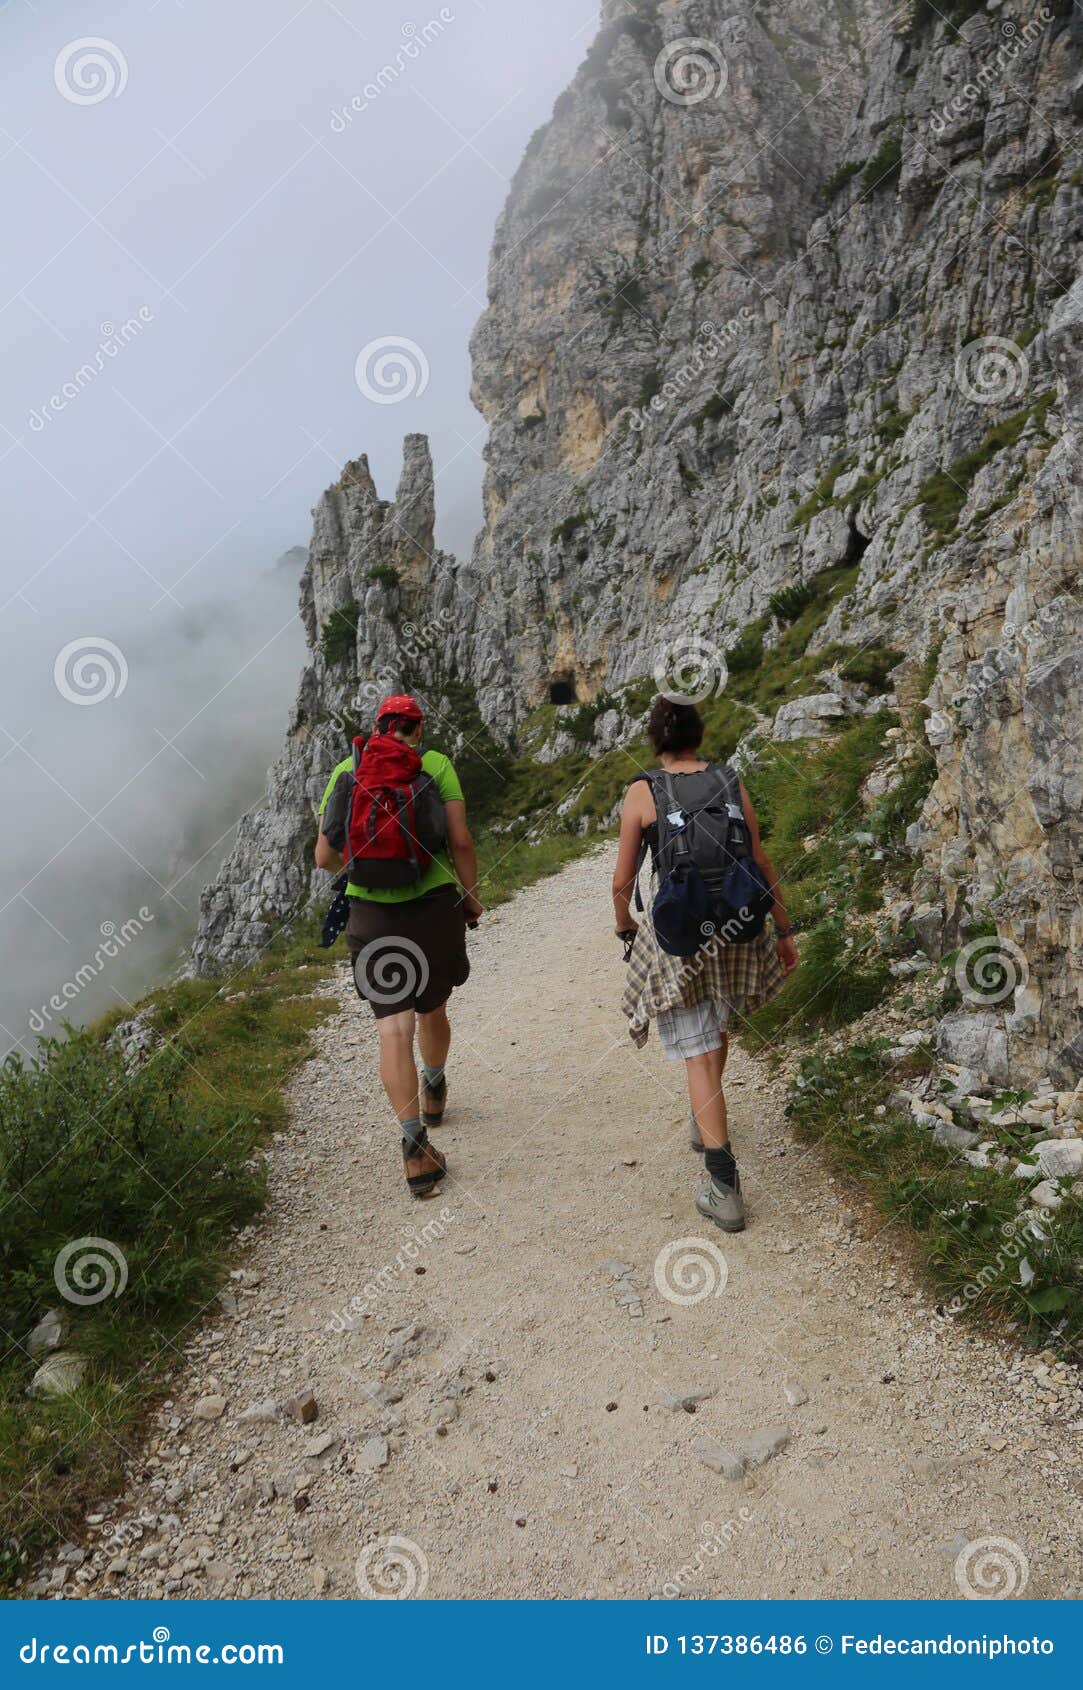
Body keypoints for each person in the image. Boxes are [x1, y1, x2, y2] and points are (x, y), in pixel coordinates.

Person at [612, 694, 798, 1232]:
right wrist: (783, 930)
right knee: (714, 1029)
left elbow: (623, 878)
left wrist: (623, 922)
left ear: (655, 740)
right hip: (740, 924)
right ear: (698, 734)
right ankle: (704, 1117)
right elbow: (760, 862)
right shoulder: (729, 781)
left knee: (696, 1049)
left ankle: (723, 1186)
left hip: (684, 932)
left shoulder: (643, 790)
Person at [314, 694, 483, 1199]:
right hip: (432, 910)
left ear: (380, 726)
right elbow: (462, 842)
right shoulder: (436, 765)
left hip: (373, 917)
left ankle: (415, 1151)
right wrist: (472, 899)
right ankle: (434, 1087)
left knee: (394, 1028)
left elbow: (323, 855)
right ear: (418, 728)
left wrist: (364, 870)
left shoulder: (349, 767)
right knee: (433, 1008)